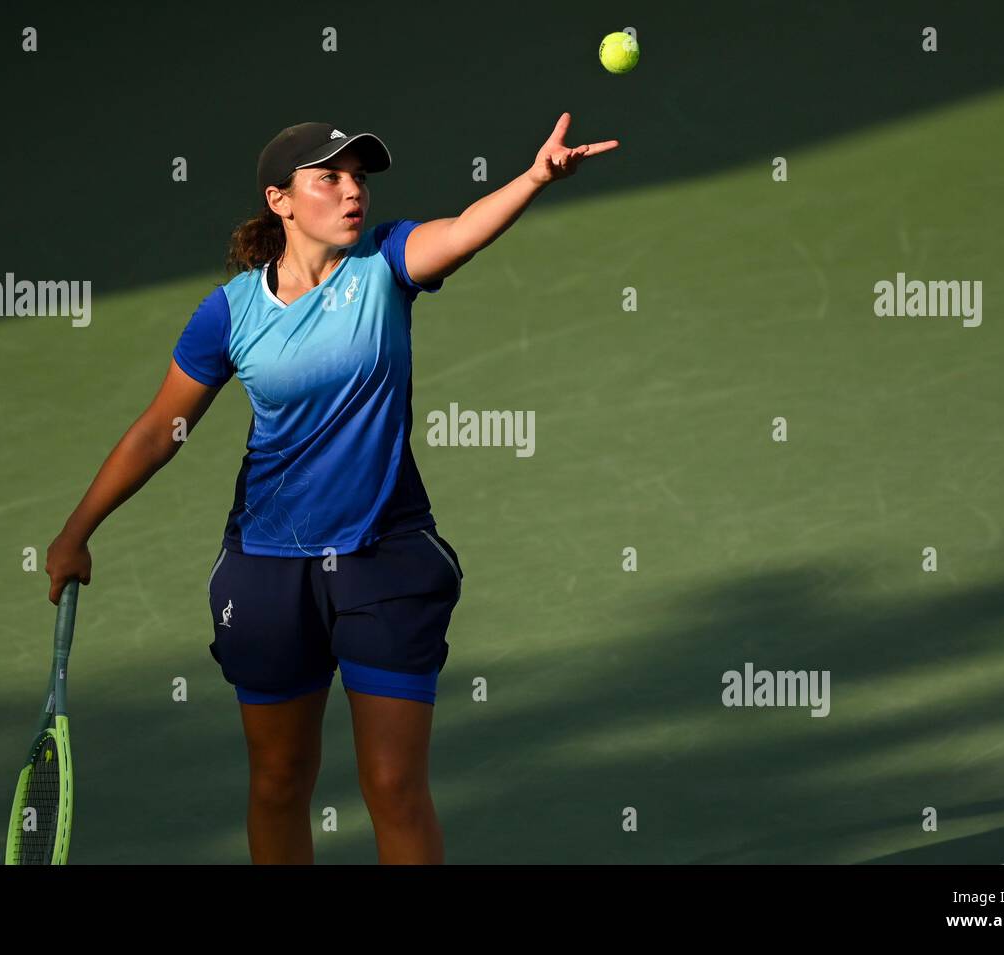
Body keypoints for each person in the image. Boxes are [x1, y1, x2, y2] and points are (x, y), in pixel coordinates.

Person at [45, 114, 619, 864]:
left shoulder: (386, 263)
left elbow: (468, 228)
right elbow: (160, 429)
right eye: (330, 179)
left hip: (384, 559)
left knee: (392, 784)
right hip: (266, 569)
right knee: (280, 780)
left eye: (359, 179)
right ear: (280, 200)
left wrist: (537, 177)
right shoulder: (230, 313)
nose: (354, 193)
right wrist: (76, 530)